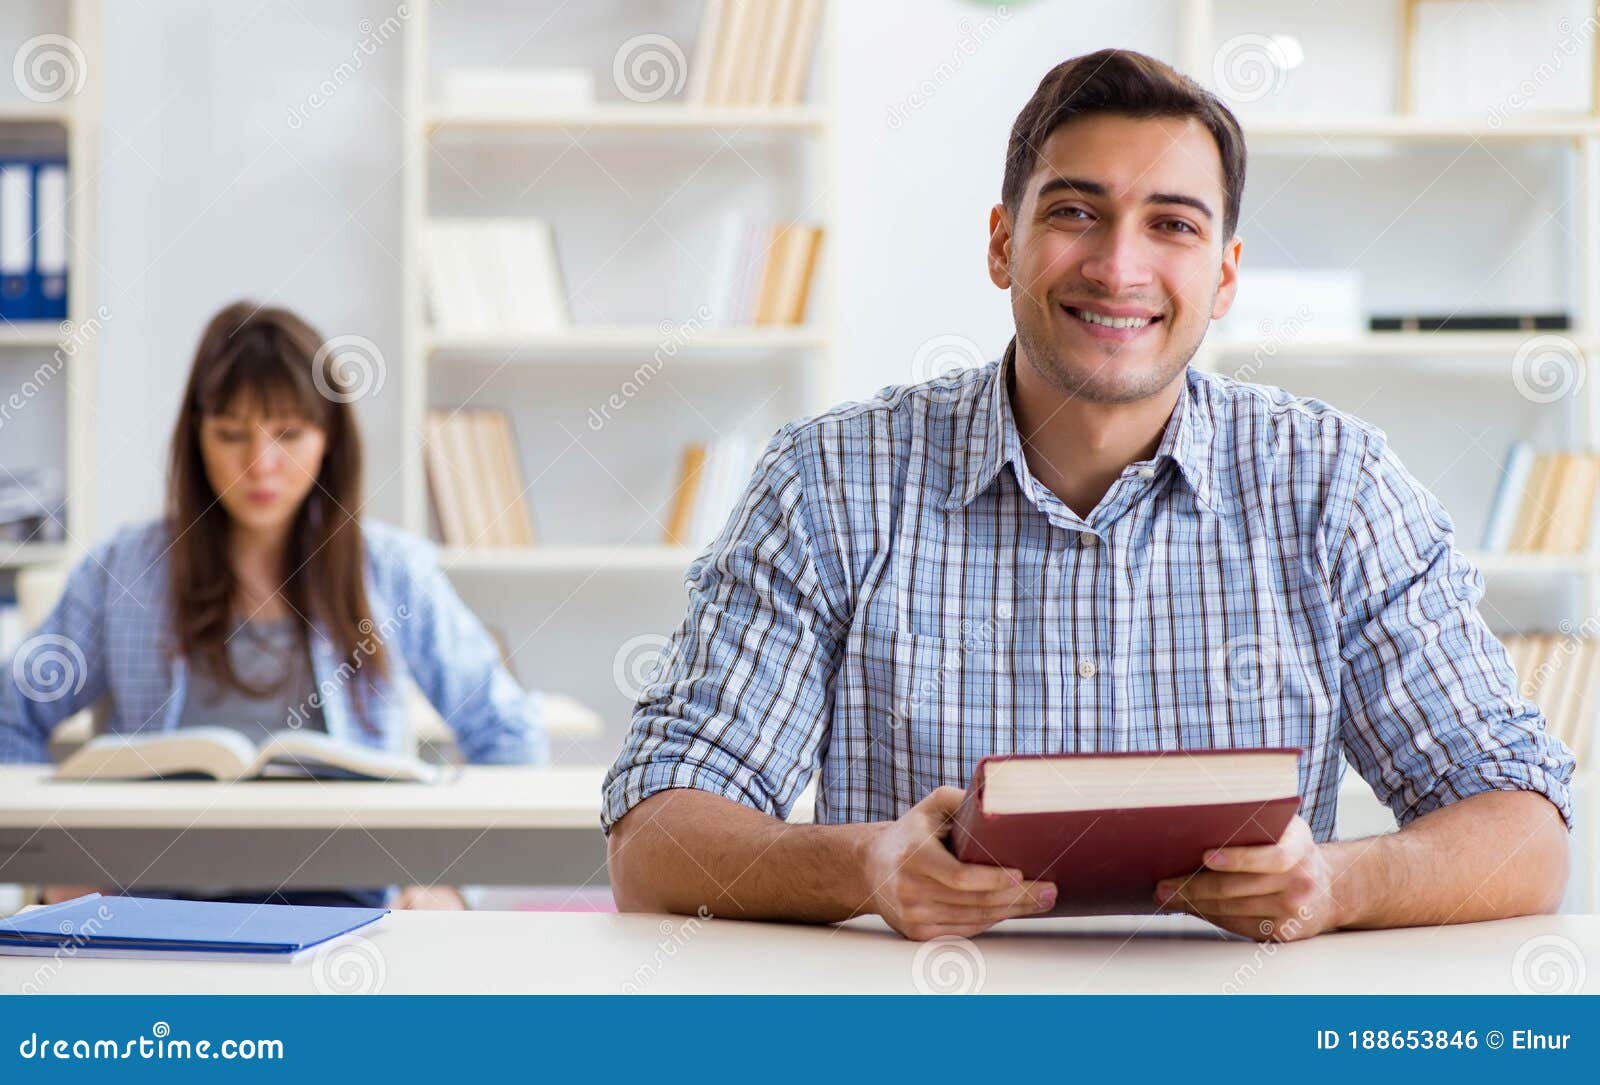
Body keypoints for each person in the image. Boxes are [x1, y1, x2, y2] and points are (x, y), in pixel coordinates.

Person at [601, 49, 1575, 942]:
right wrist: (862, 864)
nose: (1118, 265)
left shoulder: (1335, 486)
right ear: (1001, 244)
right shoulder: (830, 482)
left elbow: (1523, 829)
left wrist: (1336, 884)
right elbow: (655, 842)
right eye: (1074, 212)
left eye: (1172, 224)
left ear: (1224, 274)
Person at [0, 300, 546, 909]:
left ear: (330, 437)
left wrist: (448, 886)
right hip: (153, 914)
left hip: (354, 918)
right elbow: (9, 715)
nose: (259, 466)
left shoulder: (394, 570)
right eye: (231, 434)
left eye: (288, 434)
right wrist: (56, 868)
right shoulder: (123, 570)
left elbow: (509, 734)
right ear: (196, 436)